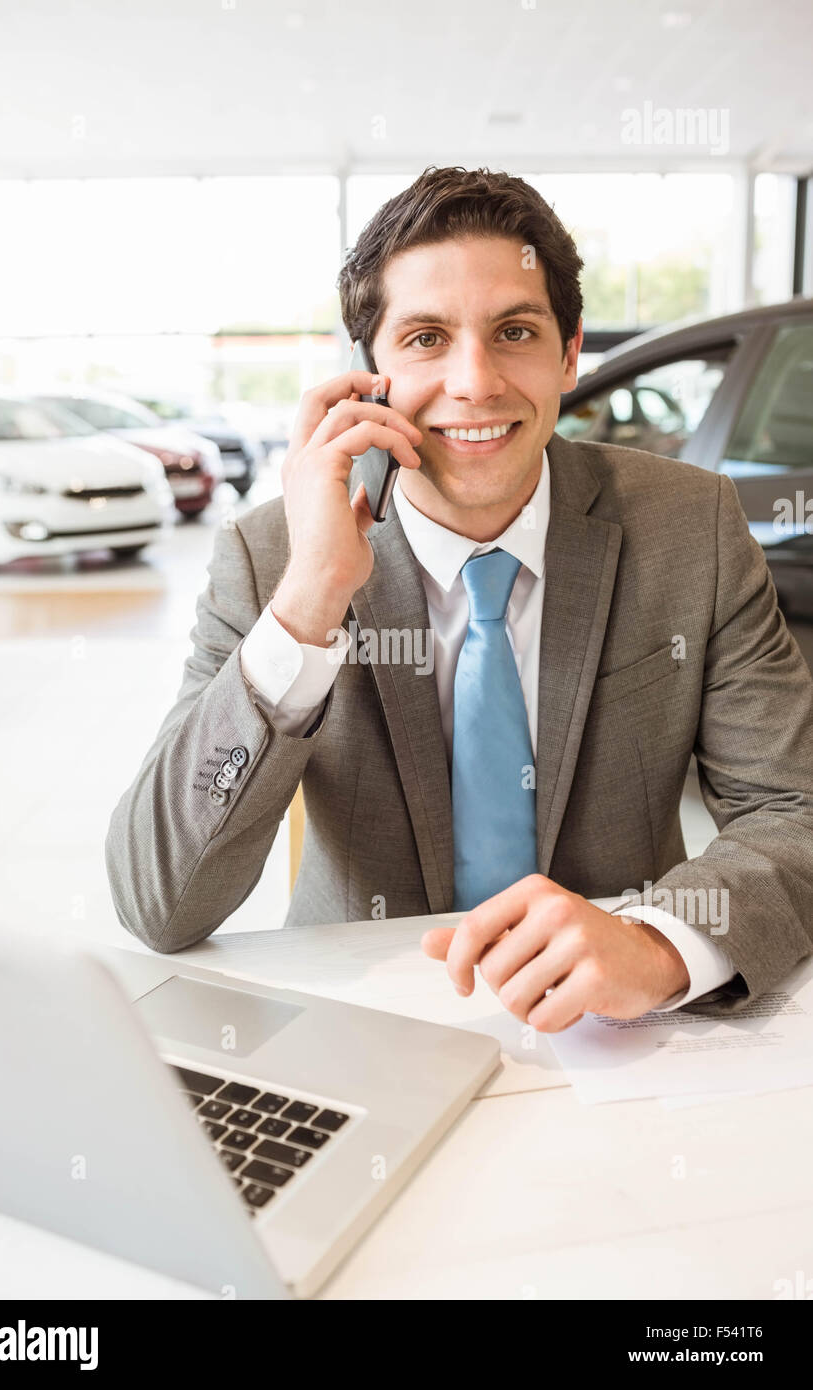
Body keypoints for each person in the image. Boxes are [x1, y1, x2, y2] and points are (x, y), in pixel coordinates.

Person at [105, 166, 813, 1032]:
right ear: (371, 371)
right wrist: (307, 603)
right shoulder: (270, 556)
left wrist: (660, 945)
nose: (474, 382)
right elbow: (156, 899)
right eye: (427, 338)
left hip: (617, 1034)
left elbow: (795, 810)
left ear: (568, 352)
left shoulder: (690, 525)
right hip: (364, 1025)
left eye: (514, 331)